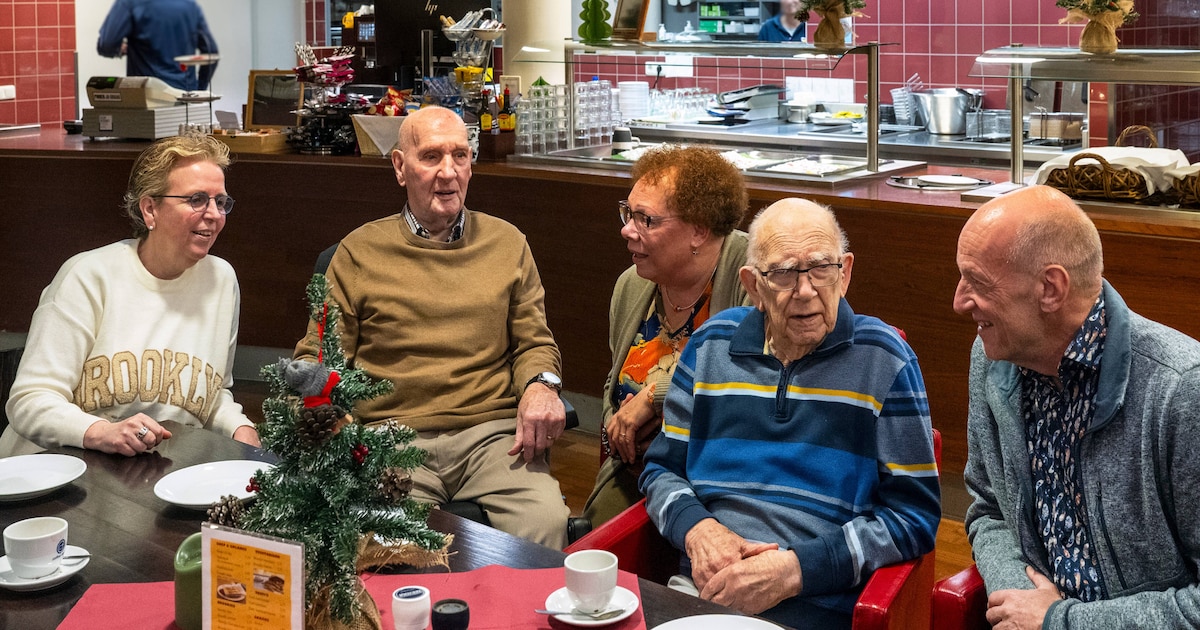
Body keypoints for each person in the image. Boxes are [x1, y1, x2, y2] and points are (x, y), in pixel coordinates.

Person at [639, 198, 940, 628]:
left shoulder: (884, 360)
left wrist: (795, 571)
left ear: (845, 273)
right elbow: (661, 471)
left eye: (821, 268)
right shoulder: (710, 346)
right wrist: (699, 530)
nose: (805, 291)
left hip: (817, 608)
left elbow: (913, 517)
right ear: (753, 285)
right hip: (704, 593)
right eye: (783, 273)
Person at [292, 106, 570, 548]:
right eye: (431, 156)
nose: (448, 172)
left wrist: (542, 386)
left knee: (546, 524)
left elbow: (535, 343)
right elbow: (318, 356)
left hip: (492, 438)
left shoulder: (508, 243)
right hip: (390, 438)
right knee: (389, 548)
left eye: (460, 156)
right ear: (400, 167)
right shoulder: (358, 253)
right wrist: (320, 409)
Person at [953, 185, 1200, 630]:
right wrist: (1020, 603)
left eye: (979, 283)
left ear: (1051, 288)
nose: (958, 302)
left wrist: (1061, 621)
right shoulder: (993, 359)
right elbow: (990, 508)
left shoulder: (1182, 392)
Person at [0, 133, 260, 458]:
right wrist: (100, 432)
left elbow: (209, 393)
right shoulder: (88, 276)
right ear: (150, 210)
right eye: (196, 199)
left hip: (146, 473)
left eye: (220, 202)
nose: (214, 214)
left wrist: (239, 428)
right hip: (50, 472)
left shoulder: (221, 280)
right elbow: (29, 401)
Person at [581, 146, 750, 527]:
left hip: (722, 476)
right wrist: (618, 429)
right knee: (592, 542)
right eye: (628, 213)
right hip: (637, 468)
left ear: (699, 230)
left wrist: (655, 398)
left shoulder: (751, 277)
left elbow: (748, 380)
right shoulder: (631, 285)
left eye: (646, 219)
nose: (627, 230)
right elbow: (614, 383)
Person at [97, 0, 218, 91]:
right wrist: (199, 89)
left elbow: (106, 45)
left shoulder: (130, 3)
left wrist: (120, 49)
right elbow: (211, 51)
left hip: (147, 97)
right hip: (185, 97)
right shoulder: (190, 5)